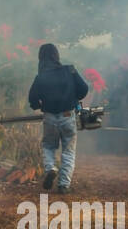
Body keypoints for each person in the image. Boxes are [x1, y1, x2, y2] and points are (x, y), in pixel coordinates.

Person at [28, 43, 89, 193]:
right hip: (68, 115)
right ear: (57, 56)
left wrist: (37, 105)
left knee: (48, 146)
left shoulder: (40, 77)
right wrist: (74, 97)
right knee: (68, 150)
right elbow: (84, 89)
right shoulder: (70, 70)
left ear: (40, 58)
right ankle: (63, 185)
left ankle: (50, 168)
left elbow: (32, 98)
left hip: (49, 117)